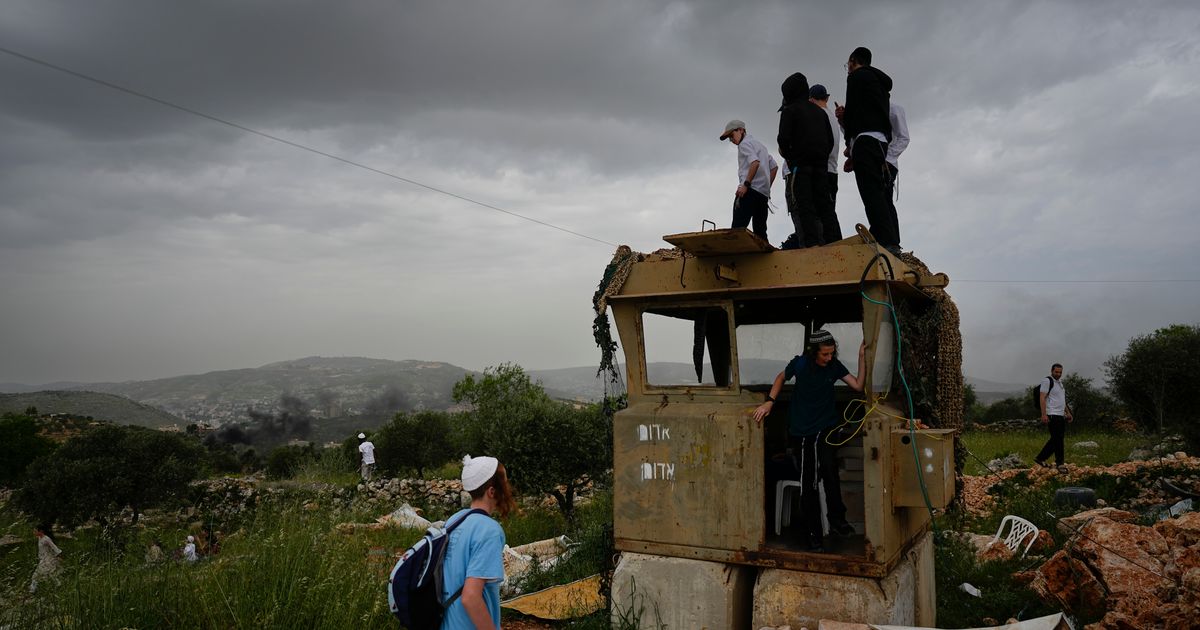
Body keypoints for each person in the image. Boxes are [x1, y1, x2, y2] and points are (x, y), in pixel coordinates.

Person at [752, 329, 866, 551]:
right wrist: (770, 402)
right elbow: (780, 377)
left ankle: (837, 522)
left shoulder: (834, 366)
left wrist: (862, 357)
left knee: (830, 472)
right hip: (803, 432)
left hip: (825, 428)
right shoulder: (801, 364)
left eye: (832, 353)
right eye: (825, 354)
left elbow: (858, 386)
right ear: (814, 352)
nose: (829, 358)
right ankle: (813, 534)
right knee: (809, 483)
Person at [835, 46, 900, 254]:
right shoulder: (881, 85)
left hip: (863, 141)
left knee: (870, 195)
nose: (848, 68)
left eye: (848, 64)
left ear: (854, 61)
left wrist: (849, 145)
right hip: (881, 142)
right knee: (881, 194)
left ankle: (885, 243)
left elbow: (853, 113)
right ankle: (893, 242)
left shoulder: (855, 78)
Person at [440, 455, 515, 630]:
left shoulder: (454, 521)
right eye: (504, 483)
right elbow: (471, 597)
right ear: (491, 491)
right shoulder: (489, 531)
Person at [777, 73, 839, 248]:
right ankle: (833, 243)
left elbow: (783, 139)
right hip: (821, 167)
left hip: (800, 167)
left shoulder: (789, 111)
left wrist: (791, 159)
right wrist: (821, 158)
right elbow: (830, 141)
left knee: (805, 207)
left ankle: (812, 245)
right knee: (825, 206)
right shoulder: (821, 113)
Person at [720, 120, 776, 240]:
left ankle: (735, 257)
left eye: (731, 135)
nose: (731, 139)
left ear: (741, 130)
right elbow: (774, 167)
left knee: (737, 229)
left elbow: (754, 162)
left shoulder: (744, 144)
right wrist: (766, 187)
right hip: (762, 195)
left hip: (749, 191)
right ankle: (764, 258)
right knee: (760, 231)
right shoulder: (760, 145)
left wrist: (746, 184)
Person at [809, 83, 843, 241]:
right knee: (829, 213)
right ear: (827, 98)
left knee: (820, 217)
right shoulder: (831, 116)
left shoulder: (818, 115)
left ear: (811, 100)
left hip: (821, 171)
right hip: (833, 170)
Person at [1034, 363, 1073, 471]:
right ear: (1051, 371)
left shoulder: (1060, 383)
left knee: (1057, 438)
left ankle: (1041, 458)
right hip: (1052, 414)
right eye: (1056, 372)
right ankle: (1060, 463)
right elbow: (1042, 398)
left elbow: (1062, 400)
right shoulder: (1047, 381)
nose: (1058, 374)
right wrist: (1043, 414)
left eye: (1060, 372)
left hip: (1060, 414)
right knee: (1058, 439)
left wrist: (1068, 413)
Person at [884, 101, 910, 239]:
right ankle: (885, 236)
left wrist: (888, 159)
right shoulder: (867, 106)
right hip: (874, 161)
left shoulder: (894, 109)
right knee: (878, 201)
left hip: (887, 163)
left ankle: (892, 240)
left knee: (885, 200)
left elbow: (904, 137)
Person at [29, 524, 62, 593]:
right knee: (49, 574)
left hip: (47, 560)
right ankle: (58, 584)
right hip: (43, 559)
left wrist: (59, 556)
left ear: (40, 531)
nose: (34, 532)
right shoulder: (39, 538)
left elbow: (54, 547)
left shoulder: (46, 539)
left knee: (36, 574)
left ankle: (32, 590)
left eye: (35, 531)